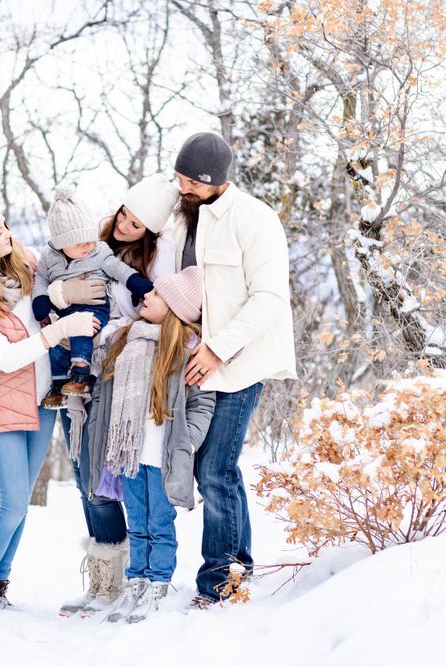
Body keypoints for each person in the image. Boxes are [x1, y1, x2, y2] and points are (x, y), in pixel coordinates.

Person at [0, 202, 100, 625]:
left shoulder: (27, 262)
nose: (8, 233)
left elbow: (59, 280)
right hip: (2, 406)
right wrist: (60, 331)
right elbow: (6, 357)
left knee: (22, 503)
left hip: (42, 400)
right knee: (12, 504)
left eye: (6, 225)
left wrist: (68, 297)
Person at [163, 132, 297, 607]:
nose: (184, 188)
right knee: (215, 469)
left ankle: (220, 581)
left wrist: (218, 349)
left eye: (193, 182)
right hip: (191, 359)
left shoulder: (254, 218)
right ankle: (238, 563)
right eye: (179, 178)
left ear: (218, 181)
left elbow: (269, 298)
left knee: (214, 470)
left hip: (238, 361)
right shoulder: (181, 215)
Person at [50, 175, 181, 618]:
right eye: (124, 214)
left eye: (137, 223)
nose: (125, 225)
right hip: (75, 371)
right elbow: (43, 280)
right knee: (86, 479)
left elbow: (158, 312)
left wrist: (108, 331)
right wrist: (61, 294)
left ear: (152, 231)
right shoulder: (87, 241)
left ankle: (128, 579)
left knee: (110, 484)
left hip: (117, 376)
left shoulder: (159, 259)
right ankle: (105, 580)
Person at [87, 266, 215, 623]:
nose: (146, 296)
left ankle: (159, 583)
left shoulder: (187, 350)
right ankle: (136, 582)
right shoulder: (125, 341)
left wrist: (186, 441)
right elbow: (103, 392)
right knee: (137, 522)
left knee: (159, 523)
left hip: (162, 453)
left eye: (157, 294)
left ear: (174, 308)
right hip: (128, 452)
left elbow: (203, 402)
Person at [32, 183, 154, 401]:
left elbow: (118, 268)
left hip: (94, 307)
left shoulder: (99, 251)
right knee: (56, 341)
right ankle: (59, 385)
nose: (88, 246)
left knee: (80, 327)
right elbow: (41, 278)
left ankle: (81, 373)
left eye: (91, 239)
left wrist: (136, 283)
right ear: (62, 243)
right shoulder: (49, 257)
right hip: (63, 311)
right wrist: (42, 299)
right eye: (80, 243)